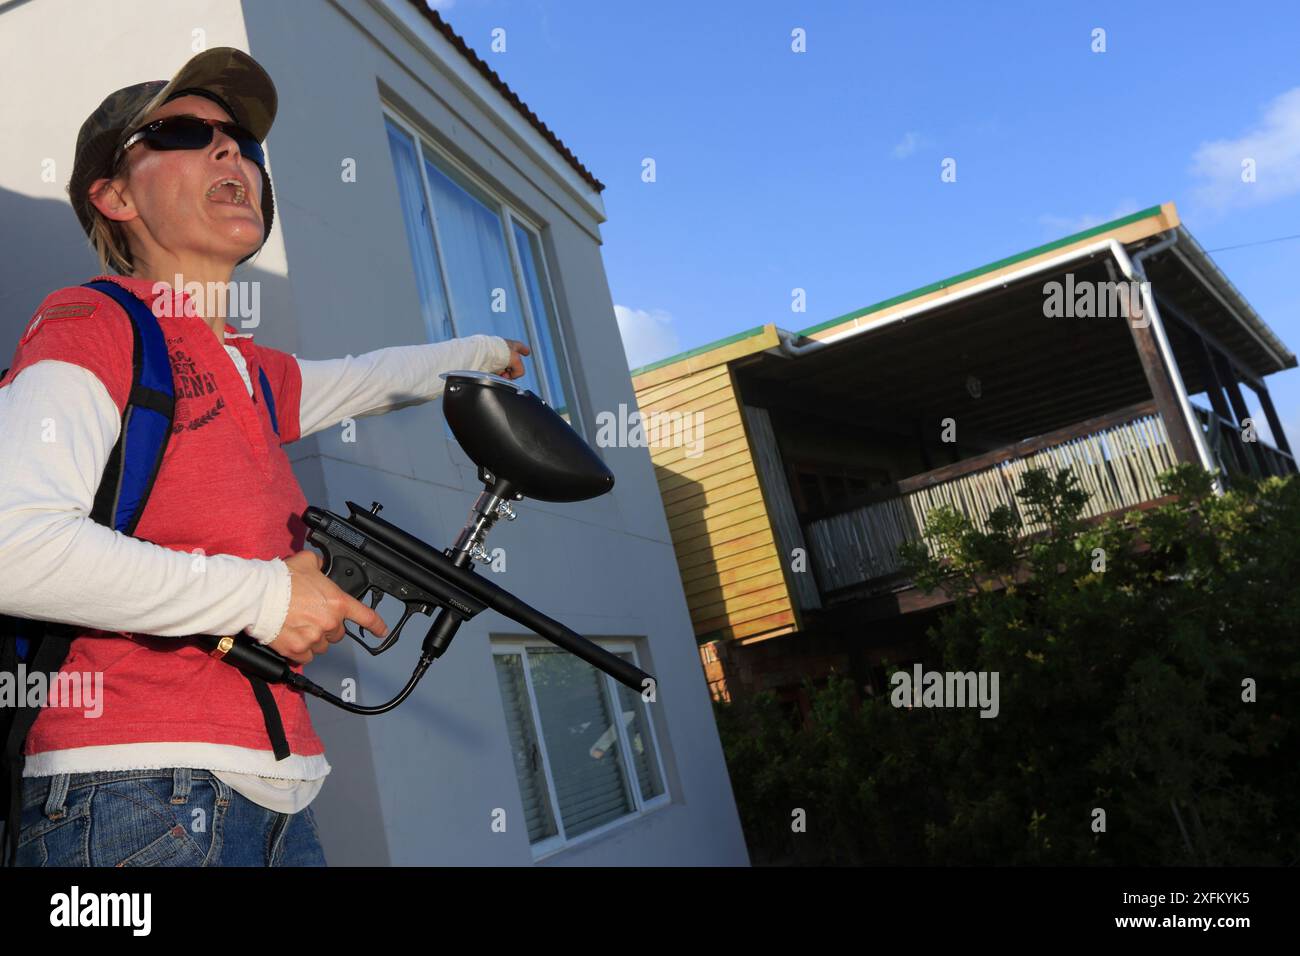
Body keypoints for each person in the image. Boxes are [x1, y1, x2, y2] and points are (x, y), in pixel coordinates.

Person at [0, 47, 529, 866]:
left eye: (239, 139)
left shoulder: (245, 367)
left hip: (275, 799)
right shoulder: (90, 322)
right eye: (181, 131)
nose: (230, 151)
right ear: (112, 195)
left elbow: (364, 380)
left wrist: (485, 349)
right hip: (133, 797)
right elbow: (15, 549)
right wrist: (262, 596)